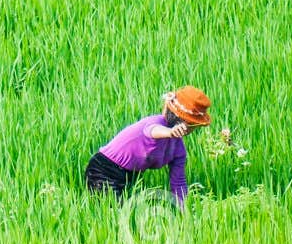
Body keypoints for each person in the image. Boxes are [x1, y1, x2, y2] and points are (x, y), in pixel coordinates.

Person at [84, 86, 212, 207]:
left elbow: (178, 182)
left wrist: (184, 208)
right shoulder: (156, 123)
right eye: (193, 125)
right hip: (104, 169)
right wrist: (170, 132)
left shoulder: (178, 150)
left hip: (130, 175)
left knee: (126, 210)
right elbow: (151, 131)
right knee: (113, 211)